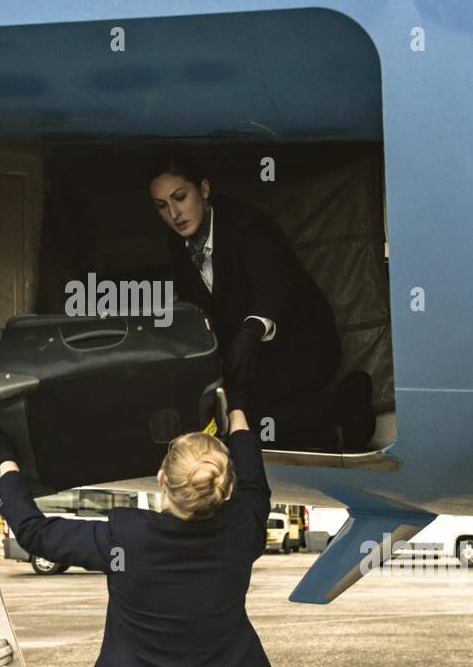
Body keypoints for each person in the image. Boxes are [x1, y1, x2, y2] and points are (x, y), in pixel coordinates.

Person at [0, 390, 282, 667]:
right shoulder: (244, 530)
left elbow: (35, 533)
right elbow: (255, 483)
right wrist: (239, 405)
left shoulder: (126, 538)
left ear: (161, 480)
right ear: (226, 486)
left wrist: (6, 462)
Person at [147, 151, 373, 451]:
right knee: (237, 417)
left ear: (203, 190)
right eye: (162, 206)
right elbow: (197, 304)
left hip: (305, 345)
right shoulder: (178, 243)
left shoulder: (247, 226)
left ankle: (349, 399)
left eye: (180, 197)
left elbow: (275, 285)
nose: (174, 214)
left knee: (251, 417)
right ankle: (328, 429)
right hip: (254, 358)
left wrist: (251, 332)